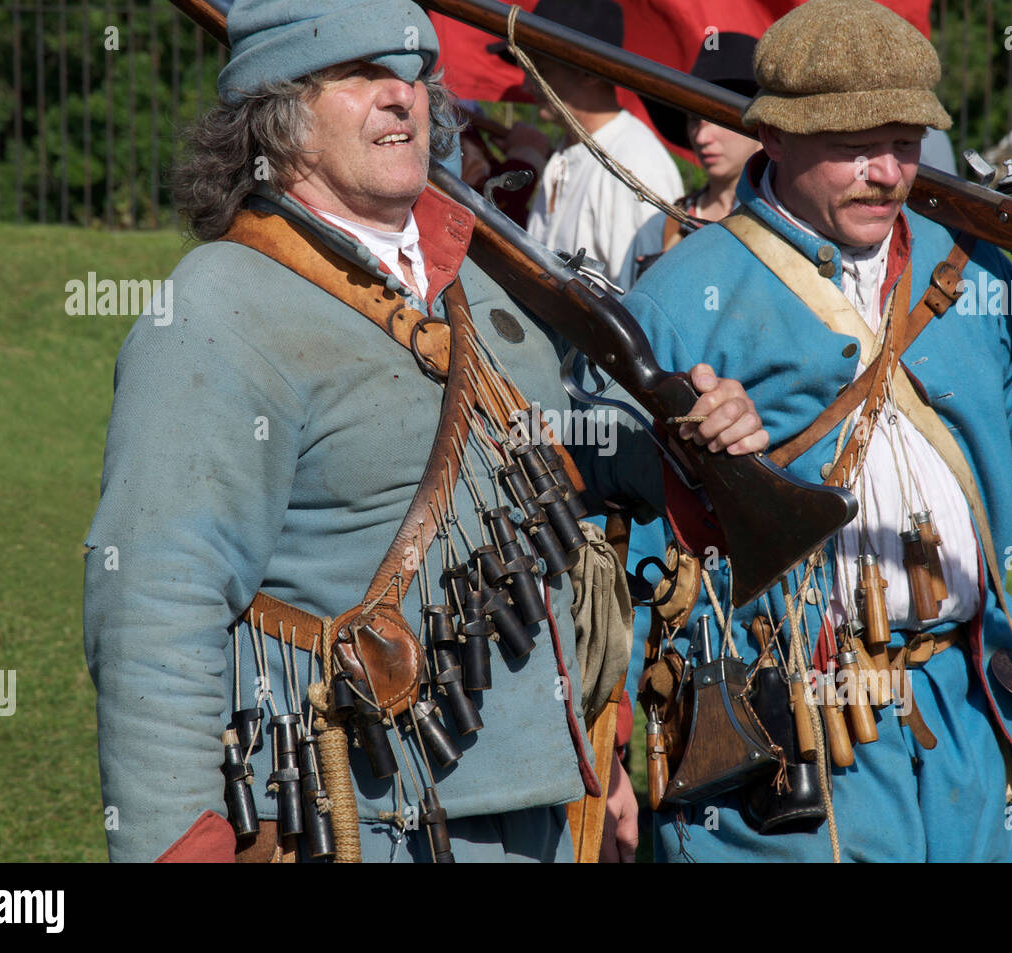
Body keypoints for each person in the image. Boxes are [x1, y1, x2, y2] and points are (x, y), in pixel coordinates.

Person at [82, 0, 768, 863]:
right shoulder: (217, 309)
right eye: (361, 75)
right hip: (354, 819)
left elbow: (548, 473)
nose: (402, 97)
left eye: (412, 74)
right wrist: (180, 848)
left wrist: (685, 444)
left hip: (543, 804)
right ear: (279, 115)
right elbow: (154, 601)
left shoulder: (476, 280)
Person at [622, 0, 1012, 862]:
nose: (885, 172)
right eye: (853, 146)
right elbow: (623, 551)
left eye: (904, 142)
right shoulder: (681, 297)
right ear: (777, 139)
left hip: (968, 701)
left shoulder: (965, 260)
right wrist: (615, 758)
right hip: (791, 722)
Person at [491, 0, 684, 292]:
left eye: (540, 70)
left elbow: (643, 301)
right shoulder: (567, 150)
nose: (527, 85)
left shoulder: (636, 161)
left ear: (589, 73)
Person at [634, 32, 762, 275]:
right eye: (694, 119)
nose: (702, 138)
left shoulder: (792, 225)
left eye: (717, 119)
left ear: (757, 124)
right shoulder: (663, 227)